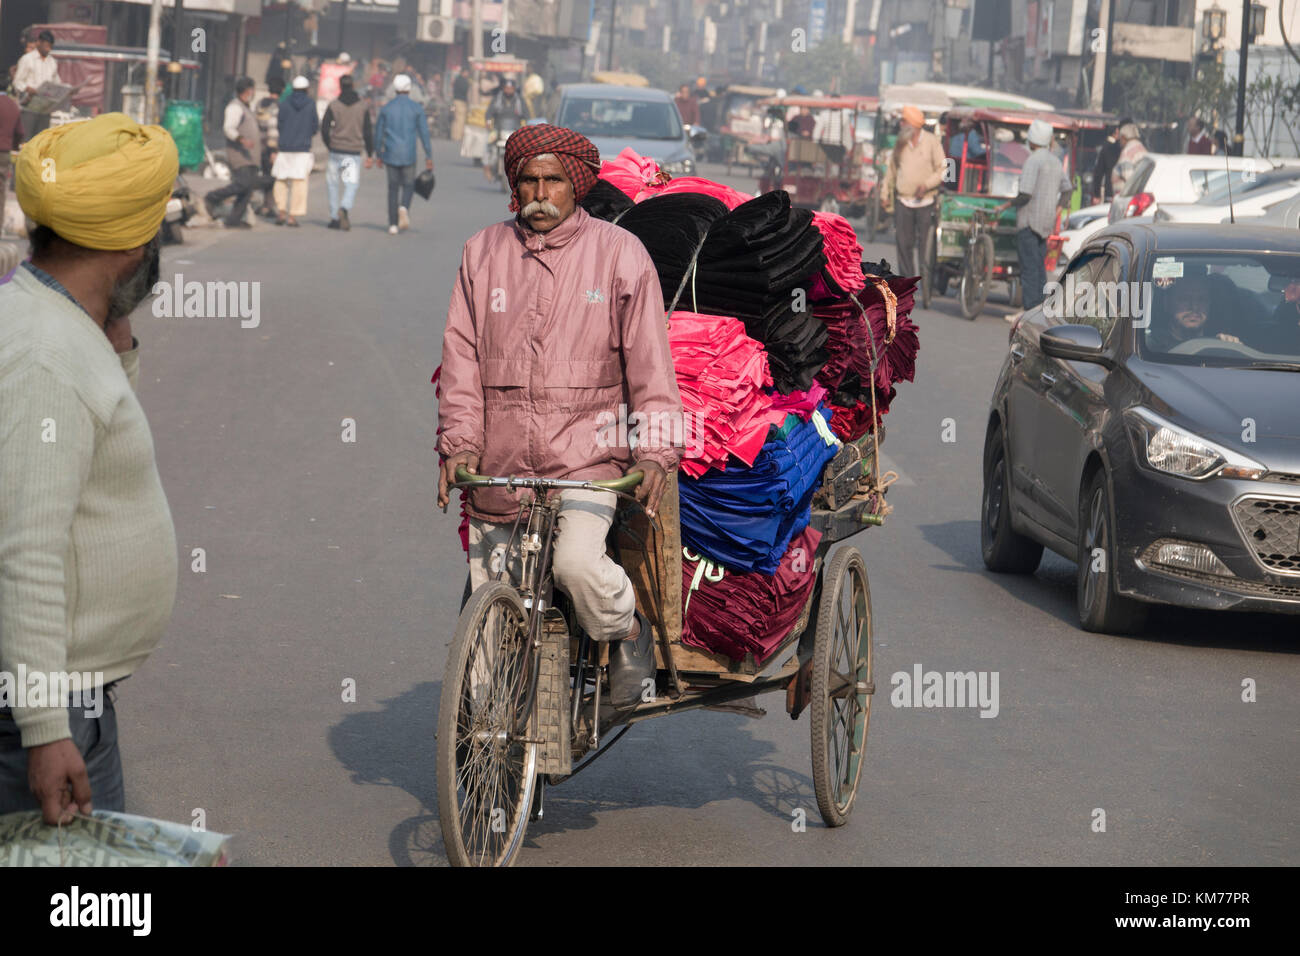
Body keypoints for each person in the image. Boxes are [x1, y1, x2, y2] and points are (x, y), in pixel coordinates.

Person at [436, 124, 682, 708]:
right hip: (501, 462)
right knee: (490, 609)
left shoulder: (620, 254)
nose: (540, 192)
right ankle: (490, 746)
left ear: (577, 185)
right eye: (528, 180)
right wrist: (459, 443)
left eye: (553, 180)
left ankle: (625, 630)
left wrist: (654, 452)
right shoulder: (483, 251)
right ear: (513, 187)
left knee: (574, 563)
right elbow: (460, 359)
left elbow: (650, 364)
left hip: (588, 459)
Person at [0, 113, 178, 824]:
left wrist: (115, 334)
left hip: (58, 700)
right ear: (134, 243)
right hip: (44, 713)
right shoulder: (49, 355)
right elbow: (28, 548)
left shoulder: (43, 313)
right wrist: (46, 732)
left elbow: (84, 439)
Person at [993, 119, 1072, 313]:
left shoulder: (1033, 161)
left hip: (1029, 222)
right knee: (1038, 267)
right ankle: (1040, 308)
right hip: (1045, 223)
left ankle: (1029, 311)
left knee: (1029, 268)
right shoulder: (1055, 161)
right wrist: (1059, 208)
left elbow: (1025, 194)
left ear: (1032, 140)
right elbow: (1068, 189)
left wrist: (1006, 205)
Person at [890, 104, 946, 278]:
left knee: (925, 245)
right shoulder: (900, 143)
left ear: (913, 124)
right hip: (903, 200)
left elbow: (943, 169)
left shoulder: (932, 142)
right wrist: (885, 194)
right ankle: (907, 280)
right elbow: (891, 170)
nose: (900, 124)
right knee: (903, 243)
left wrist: (927, 185)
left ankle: (926, 278)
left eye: (903, 121)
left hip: (926, 201)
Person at [373, 73, 433, 235]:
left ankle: (392, 224)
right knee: (408, 185)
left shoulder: (386, 108)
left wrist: (378, 154)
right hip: (408, 154)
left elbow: (378, 134)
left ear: (395, 89)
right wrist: (428, 156)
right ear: (409, 89)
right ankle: (404, 207)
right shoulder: (416, 108)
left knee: (392, 189)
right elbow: (424, 134)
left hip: (390, 154)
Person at [204, 77, 265, 229]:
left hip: (250, 155)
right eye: (251, 89)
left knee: (247, 188)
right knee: (242, 184)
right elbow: (228, 128)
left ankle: (234, 219)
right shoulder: (235, 107)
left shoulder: (246, 107)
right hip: (240, 154)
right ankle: (212, 197)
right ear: (247, 91)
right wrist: (241, 139)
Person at [322, 74, 373, 231]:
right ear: (353, 86)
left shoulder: (334, 105)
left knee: (333, 184)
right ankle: (344, 207)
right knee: (351, 184)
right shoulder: (362, 107)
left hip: (336, 150)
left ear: (340, 86)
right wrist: (370, 153)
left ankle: (334, 217)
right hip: (353, 152)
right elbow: (368, 132)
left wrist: (329, 145)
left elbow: (324, 128)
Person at [1146, 276, 1241, 352]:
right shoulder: (1150, 349)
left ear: (1209, 304)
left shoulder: (1220, 346)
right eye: (1184, 299)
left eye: (1201, 299)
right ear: (1167, 304)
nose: (1194, 307)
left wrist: (1231, 347)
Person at [272, 75, 318, 228]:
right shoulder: (311, 104)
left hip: (285, 147)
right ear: (306, 89)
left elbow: (279, 124)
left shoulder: (284, 104)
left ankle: (280, 212)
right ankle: (292, 216)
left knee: (281, 180)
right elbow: (314, 126)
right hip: (302, 149)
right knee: (300, 182)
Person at [484, 78, 525, 182]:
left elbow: (527, 115)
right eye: (507, 88)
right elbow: (489, 112)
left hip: (514, 131)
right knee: (489, 145)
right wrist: (488, 121)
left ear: (514, 89)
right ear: (503, 88)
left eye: (511, 88)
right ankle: (487, 166)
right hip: (498, 129)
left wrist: (526, 124)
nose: (509, 90)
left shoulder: (519, 100)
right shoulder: (497, 99)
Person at [254, 77, 284, 218]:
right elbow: (273, 129)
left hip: (259, 145)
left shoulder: (260, 104)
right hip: (271, 146)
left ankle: (265, 205)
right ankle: (269, 205)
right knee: (272, 177)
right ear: (282, 91)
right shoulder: (277, 106)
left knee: (266, 174)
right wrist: (274, 150)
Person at [0, 89, 23, 235]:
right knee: (1, 192)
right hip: (4, 154)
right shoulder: (12, 105)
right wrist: (11, 145)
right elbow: (20, 133)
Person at [1110, 121, 1147, 197]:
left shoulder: (1127, 152)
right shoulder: (1143, 149)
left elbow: (1129, 179)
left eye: (1120, 139)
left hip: (1126, 198)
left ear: (1123, 137)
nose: (1119, 142)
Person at [451, 66, 470, 140]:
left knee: (456, 119)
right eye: (467, 73)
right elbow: (465, 90)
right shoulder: (463, 81)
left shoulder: (457, 79)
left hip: (456, 100)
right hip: (461, 101)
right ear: (464, 72)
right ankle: (458, 136)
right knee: (460, 119)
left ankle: (454, 135)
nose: (468, 74)